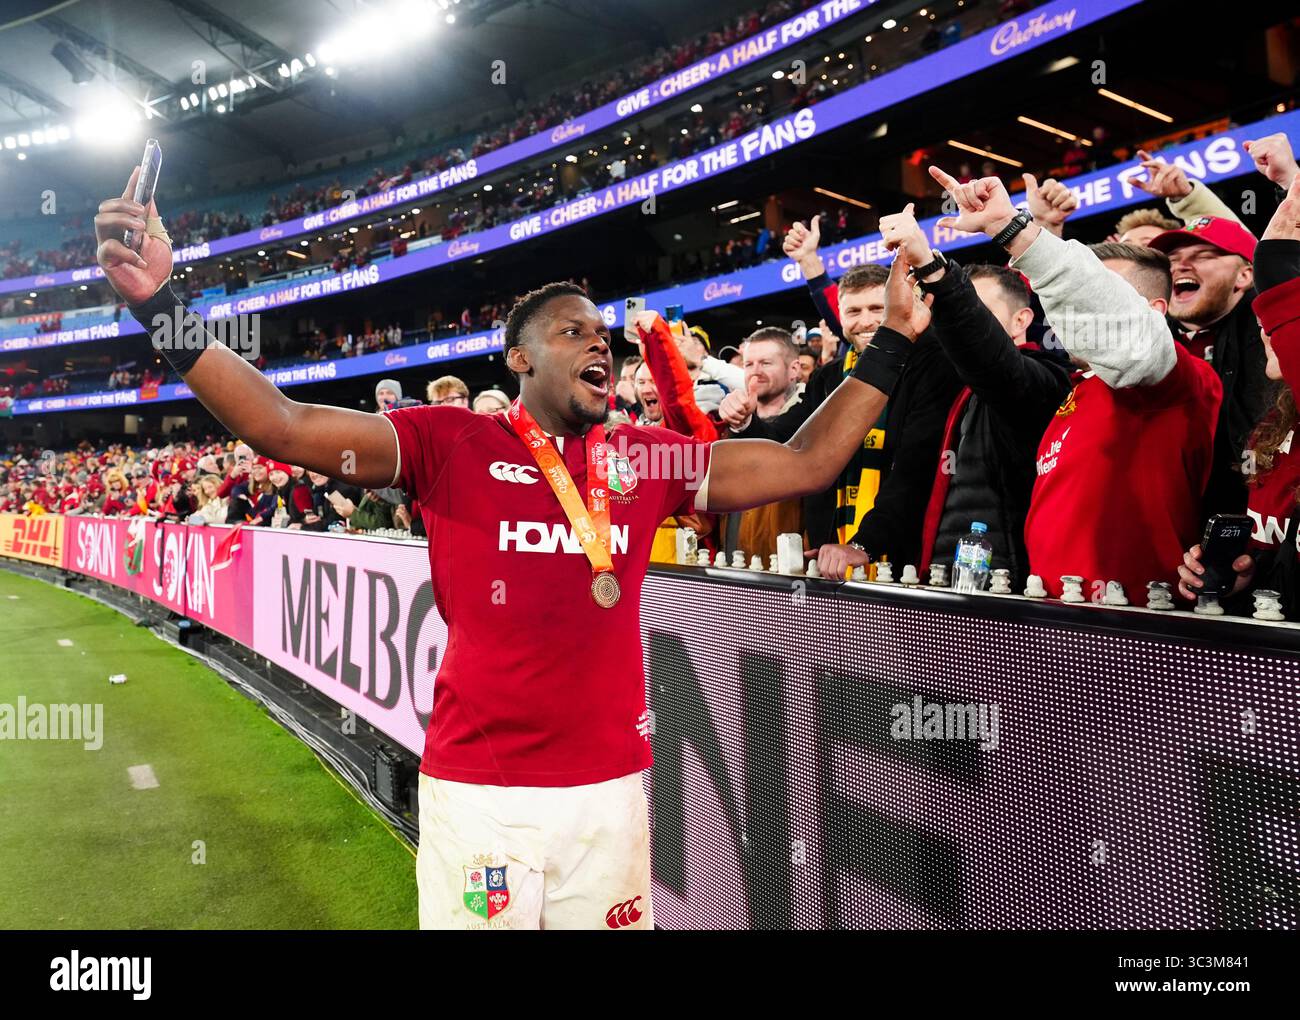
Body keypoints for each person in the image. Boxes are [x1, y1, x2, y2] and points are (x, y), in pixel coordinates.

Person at [95, 166, 919, 930]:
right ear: (520, 358)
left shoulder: (645, 457)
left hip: (610, 793)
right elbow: (280, 424)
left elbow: (809, 461)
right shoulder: (449, 441)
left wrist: (898, 339)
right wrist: (162, 303)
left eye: (605, 336)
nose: (602, 345)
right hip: (481, 794)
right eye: (574, 333)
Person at [929, 164, 1222, 600]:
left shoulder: (1173, 380)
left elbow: (1114, 325)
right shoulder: (1079, 389)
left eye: (1107, 291)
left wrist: (1016, 232)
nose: (1075, 309)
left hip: (1137, 635)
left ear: (1154, 311)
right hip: (1055, 625)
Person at [873, 190, 1072, 587]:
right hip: (939, 580)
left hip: (1011, 591)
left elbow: (993, 363)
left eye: (980, 309)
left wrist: (932, 268)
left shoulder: (1047, 378)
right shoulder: (946, 386)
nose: (961, 321)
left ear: (1022, 320)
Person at [1178, 175, 1300, 612]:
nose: (1178, 266)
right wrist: (1246, 573)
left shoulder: (1251, 324)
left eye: (1202, 255)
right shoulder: (1269, 431)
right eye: (1171, 258)